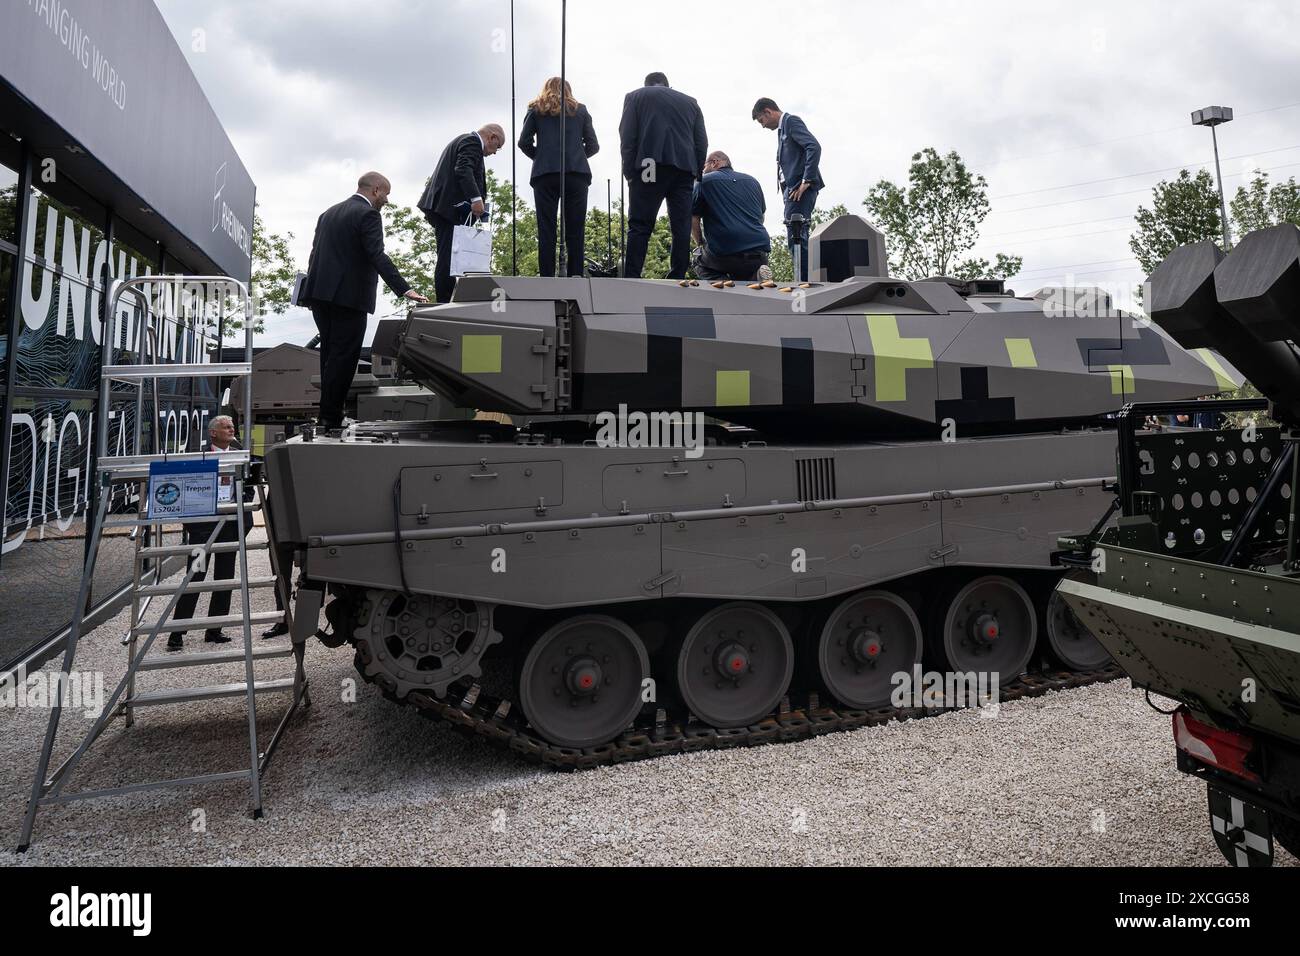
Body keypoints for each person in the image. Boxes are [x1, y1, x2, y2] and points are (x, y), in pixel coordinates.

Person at [299, 172, 428, 430]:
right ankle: (331, 417)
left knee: (329, 357)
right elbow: (376, 255)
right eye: (387, 194)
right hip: (349, 297)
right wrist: (405, 290)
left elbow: (315, 254)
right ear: (376, 189)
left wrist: (311, 292)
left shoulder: (328, 213)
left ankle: (328, 414)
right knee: (345, 358)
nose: (387, 201)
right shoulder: (369, 215)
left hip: (320, 296)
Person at [168, 417, 254, 651]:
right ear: (213, 433)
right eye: (226, 427)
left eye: (232, 426)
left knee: (224, 578)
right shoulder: (199, 456)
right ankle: (176, 633)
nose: (231, 429)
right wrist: (194, 526)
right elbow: (187, 490)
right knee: (194, 577)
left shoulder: (240, 455)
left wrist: (241, 513)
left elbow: (249, 488)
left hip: (231, 526)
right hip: (203, 529)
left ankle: (214, 629)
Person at [618, 72, 707, 279]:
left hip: (650, 165)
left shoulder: (635, 97)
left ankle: (632, 275)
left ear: (647, 84)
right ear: (668, 85)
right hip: (684, 170)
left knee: (640, 223)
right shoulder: (691, 102)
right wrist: (697, 172)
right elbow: (701, 141)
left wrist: (630, 171)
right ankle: (677, 273)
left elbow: (627, 136)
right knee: (681, 224)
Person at [519, 78, 599, 278]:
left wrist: (541, 157)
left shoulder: (535, 110)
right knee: (576, 228)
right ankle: (575, 275)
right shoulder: (580, 110)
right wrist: (576, 157)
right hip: (576, 174)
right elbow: (593, 145)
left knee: (546, 228)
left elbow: (524, 142)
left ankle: (547, 276)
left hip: (545, 174)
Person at [418, 124, 505, 303]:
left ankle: (447, 299)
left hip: (444, 208)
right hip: (449, 210)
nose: (495, 152)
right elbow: (463, 168)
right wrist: (476, 199)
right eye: (498, 146)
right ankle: (445, 301)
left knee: (450, 256)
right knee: (448, 259)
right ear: (492, 137)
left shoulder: (462, 140)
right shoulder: (472, 141)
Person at [752, 97, 824, 281]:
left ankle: (804, 280)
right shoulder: (782, 130)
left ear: (768, 112)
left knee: (797, 232)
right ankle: (802, 276)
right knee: (794, 232)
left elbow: (813, 146)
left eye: (762, 120)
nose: (762, 125)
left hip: (799, 188)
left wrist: (806, 180)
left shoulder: (791, 121)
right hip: (791, 189)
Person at [690, 151, 772, 282]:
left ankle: (722, 283)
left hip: (724, 253)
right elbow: (761, 217)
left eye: (704, 167)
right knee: (745, 280)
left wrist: (700, 243)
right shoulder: (752, 181)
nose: (703, 171)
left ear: (714, 163)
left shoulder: (703, 181)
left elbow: (693, 218)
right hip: (758, 254)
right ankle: (755, 276)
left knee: (698, 259)